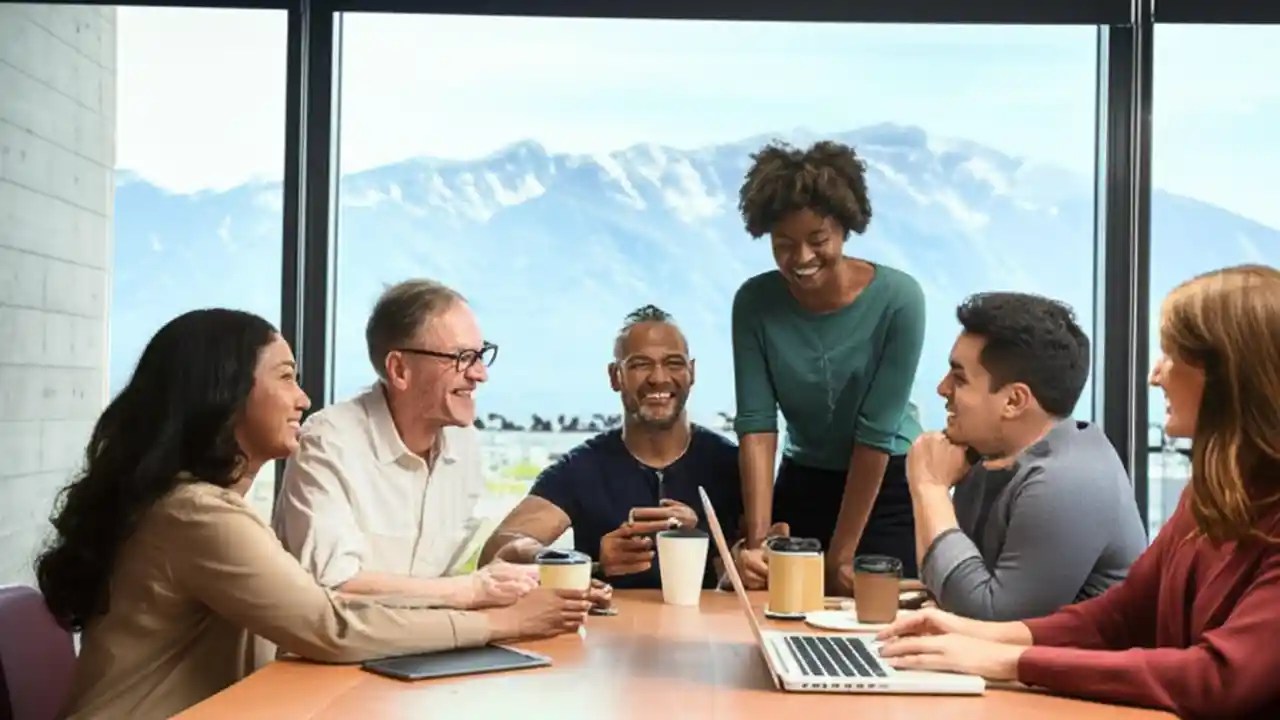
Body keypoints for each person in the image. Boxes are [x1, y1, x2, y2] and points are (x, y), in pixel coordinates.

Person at [35, 309, 590, 719]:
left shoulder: (197, 507)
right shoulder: (196, 515)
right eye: (285, 377)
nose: (303, 398)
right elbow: (329, 625)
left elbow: (325, 611)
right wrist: (504, 622)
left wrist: (479, 598)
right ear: (226, 393)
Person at [877, 264, 1280, 720]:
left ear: (1227, 376)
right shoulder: (1214, 493)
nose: (1155, 375)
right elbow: (1122, 615)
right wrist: (981, 637)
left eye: (1171, 356)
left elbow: (1219, 678)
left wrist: (1010, 660)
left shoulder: (1074, 478)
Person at [732, 139, 926, 594]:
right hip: (804, 479)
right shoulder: (754, 303)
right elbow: (757, 425)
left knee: (873, 613)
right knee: (781, 604)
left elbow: (876, 432)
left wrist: (841, 555)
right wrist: (757, 545)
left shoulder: (900, 300)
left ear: (845, 227)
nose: (801, 258)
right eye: (784, 244)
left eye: (818, 240)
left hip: (888, 483)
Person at [273, 280, 539, 608]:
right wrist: (471, 589)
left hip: (423, 634)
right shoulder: (328, 443)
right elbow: (333, 585)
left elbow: (439, 581)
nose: (480, 374)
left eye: (481, 355)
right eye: (463, 357)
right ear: (399, 370)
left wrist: (511, 569)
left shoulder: (463, 442)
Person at [907, 292, 1146, 621]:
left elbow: (991, 618)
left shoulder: (1069, 480)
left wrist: (930, 489)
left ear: (1014, 401)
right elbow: (944, 587)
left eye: (959, 378)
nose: (942, 389)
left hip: (1052, 657)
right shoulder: (986, 458)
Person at [479, 305, 744, 590]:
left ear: (691, 372)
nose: (659, 377)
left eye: (673, 364)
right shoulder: (583, 469)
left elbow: (759, 556)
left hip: (714, 619)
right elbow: (496, 553)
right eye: (640, 364)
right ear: (615, 376)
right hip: (608, 617)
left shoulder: (732, 466)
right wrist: (585, 563)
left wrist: (705, 538)